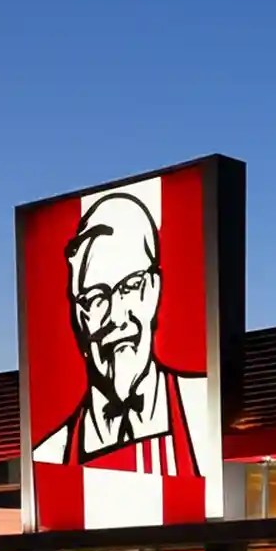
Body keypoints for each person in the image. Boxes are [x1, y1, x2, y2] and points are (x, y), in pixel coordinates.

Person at [32, 191, 208, 477]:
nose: (117, 317)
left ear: (153, 290)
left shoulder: (204, 410)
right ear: (79, 316)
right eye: (96, 298)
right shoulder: (48, 459)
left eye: (130, 286)